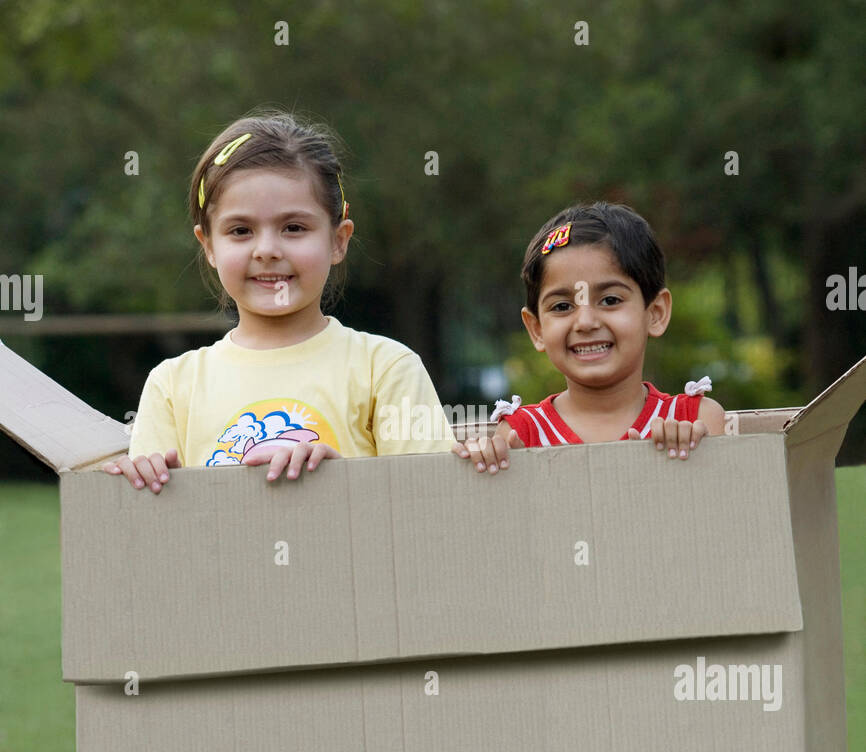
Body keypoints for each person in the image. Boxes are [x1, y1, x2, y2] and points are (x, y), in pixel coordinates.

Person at [105, 111, 455, 493]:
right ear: (208, 246)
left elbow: (430, 508)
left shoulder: (386, 370)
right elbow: (157, 534)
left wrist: (343, 485)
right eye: (240, 231)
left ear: (338, 240)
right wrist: (142, 482)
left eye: (294, 228)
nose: (267, 250)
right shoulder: (172, 387)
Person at [453, 201, 726, 473]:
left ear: (655, 313)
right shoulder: (520, 434)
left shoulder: (696, 420)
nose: (585, 322)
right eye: (562, 306)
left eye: (609, 300)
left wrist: (686, 461)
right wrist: (485, 464)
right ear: (536, 329)